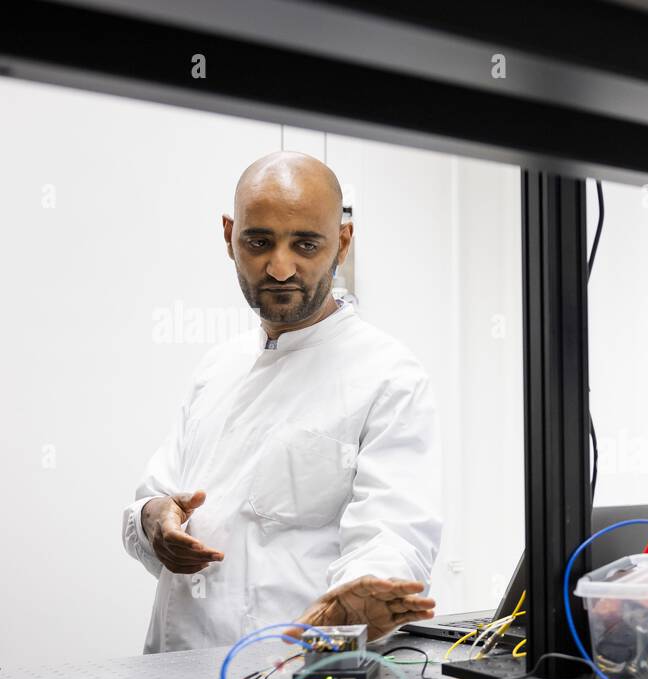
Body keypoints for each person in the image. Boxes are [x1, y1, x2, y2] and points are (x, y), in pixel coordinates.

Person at [122, 151, 439, 652]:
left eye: (306, 244)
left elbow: (394, 533)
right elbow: (152, 500)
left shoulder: (387, 375)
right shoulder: (216, 368)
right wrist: (153, 519)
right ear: (230, 236)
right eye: (259, 241)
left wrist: (363, 594)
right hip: (173, 675)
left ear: (343, 243)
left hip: (298, 677)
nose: (280, 267)